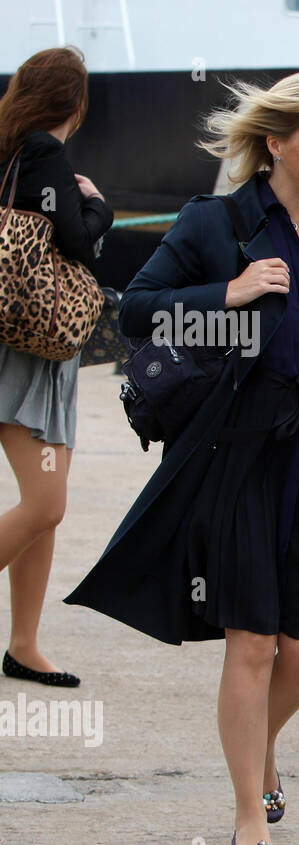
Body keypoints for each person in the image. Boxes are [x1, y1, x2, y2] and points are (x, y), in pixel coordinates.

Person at [66, 70, 299, 845]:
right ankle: (246, 811)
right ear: (275, 145)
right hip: (240, 458)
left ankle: (260, 753)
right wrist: (229, 290)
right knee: (253, 643)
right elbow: (133, 310)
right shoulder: (216, 223)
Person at [0, 46, 111, 690]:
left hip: (31, 341)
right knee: (45, 504)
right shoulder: (43, 151)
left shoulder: (10, 148)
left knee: (42, 507)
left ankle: (23, 643)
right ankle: (21, 640)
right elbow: (77, 239)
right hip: (29, 348)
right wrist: (100, 206)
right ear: (75, 102)